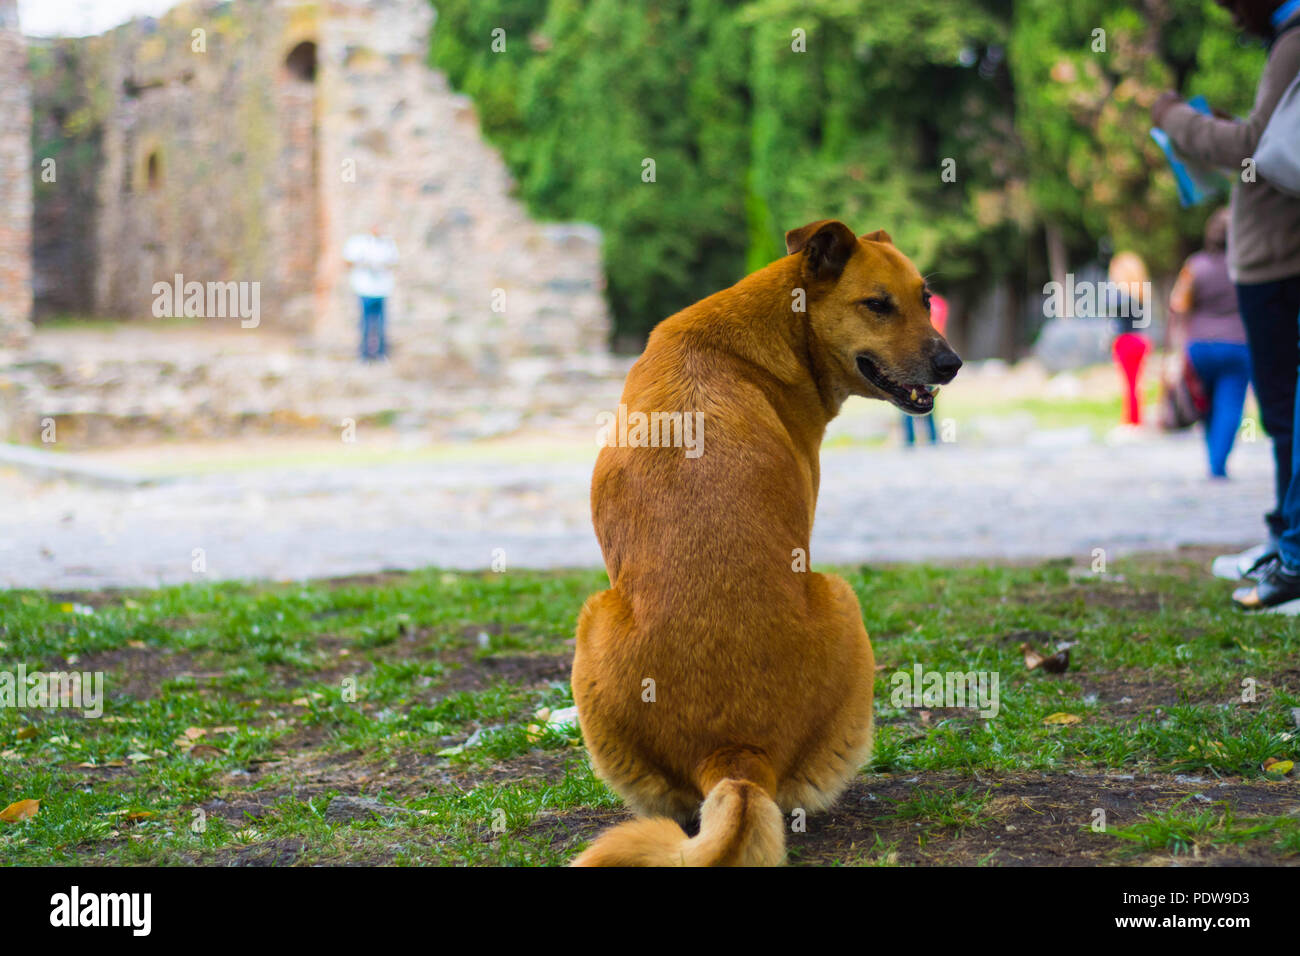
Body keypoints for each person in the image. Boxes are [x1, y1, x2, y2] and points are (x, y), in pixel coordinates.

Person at [1152, 0, 1300, 608]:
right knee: (1282, 414)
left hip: (1280, 260)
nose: (1228, 14)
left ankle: (1291, 557)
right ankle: (1285, 543)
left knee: (1289, 412)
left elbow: (1253, 146)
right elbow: (1273, 136)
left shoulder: (1294, 35)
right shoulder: (1284, 36)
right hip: (1269, 259)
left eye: (1231, 2)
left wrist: (1178, 119)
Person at [1168, 208, 1252, 479]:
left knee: (1204, 402)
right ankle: (1218, 463)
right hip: (1238, 344)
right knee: (1230, 405)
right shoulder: (1245, 265)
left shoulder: (1195, 266)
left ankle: (1213, 457)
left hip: (1200, 345)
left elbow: (1178, 303)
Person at [343, 224, 399, 362]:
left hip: (382, 290)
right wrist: (362, 263)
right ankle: (364, 354)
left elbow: (394, 263)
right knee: (365, 323)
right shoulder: (360, 243)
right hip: (365, 289)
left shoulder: (387, 244)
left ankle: (381, 353)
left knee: (381, 324)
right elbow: (347, 262)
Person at [1108, 251, 1151, 427]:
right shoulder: (1139, 292)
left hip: (1126, 342)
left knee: (1129, 384)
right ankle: (1135, 416)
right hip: (1140, 340)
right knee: (1136, 383)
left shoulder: (1121, 295)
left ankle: (1132, 419)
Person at [901, 292, 949, 446]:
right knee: (928, 397)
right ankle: (932, 438)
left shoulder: (909, 302)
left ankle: (910, 440)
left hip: (914, 355)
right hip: (933, 355)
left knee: (906, 395)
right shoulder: (940, 303)